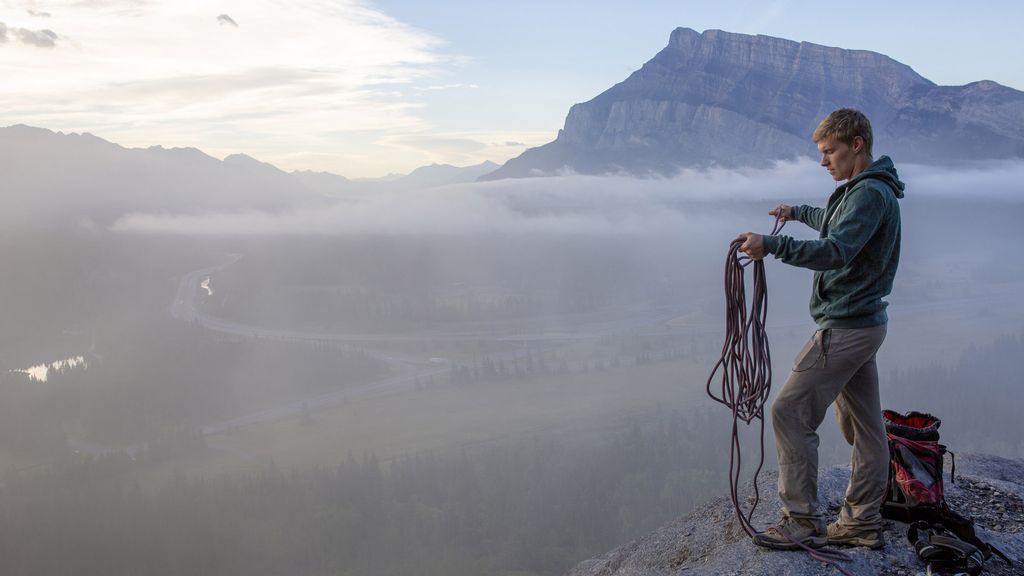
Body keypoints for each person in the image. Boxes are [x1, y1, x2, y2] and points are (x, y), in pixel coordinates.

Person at [736, 108, 905, 551]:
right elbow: (836, 223)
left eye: (830, 151)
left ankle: (802, 520)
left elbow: (836, 250)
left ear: (857, 144)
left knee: (788, 412)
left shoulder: (868, 195)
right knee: (866, 429)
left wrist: (772, 245)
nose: (823, 161)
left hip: (846, 326)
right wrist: (797, 213)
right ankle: (861, 522)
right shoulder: (866, 191)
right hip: (865, 324)